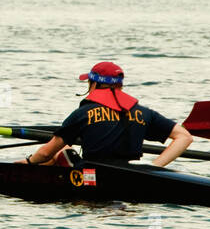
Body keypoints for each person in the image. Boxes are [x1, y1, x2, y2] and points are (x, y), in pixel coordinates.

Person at [20, 61, 193, 168]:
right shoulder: (144, 113)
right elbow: (185, 137)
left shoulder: (83, 113)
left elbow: (44, 153)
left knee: (62, 149)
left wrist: (27, 163)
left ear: (93, 84)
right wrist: (154, 167)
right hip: (133, 173)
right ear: (120, 86)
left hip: (93, 175)